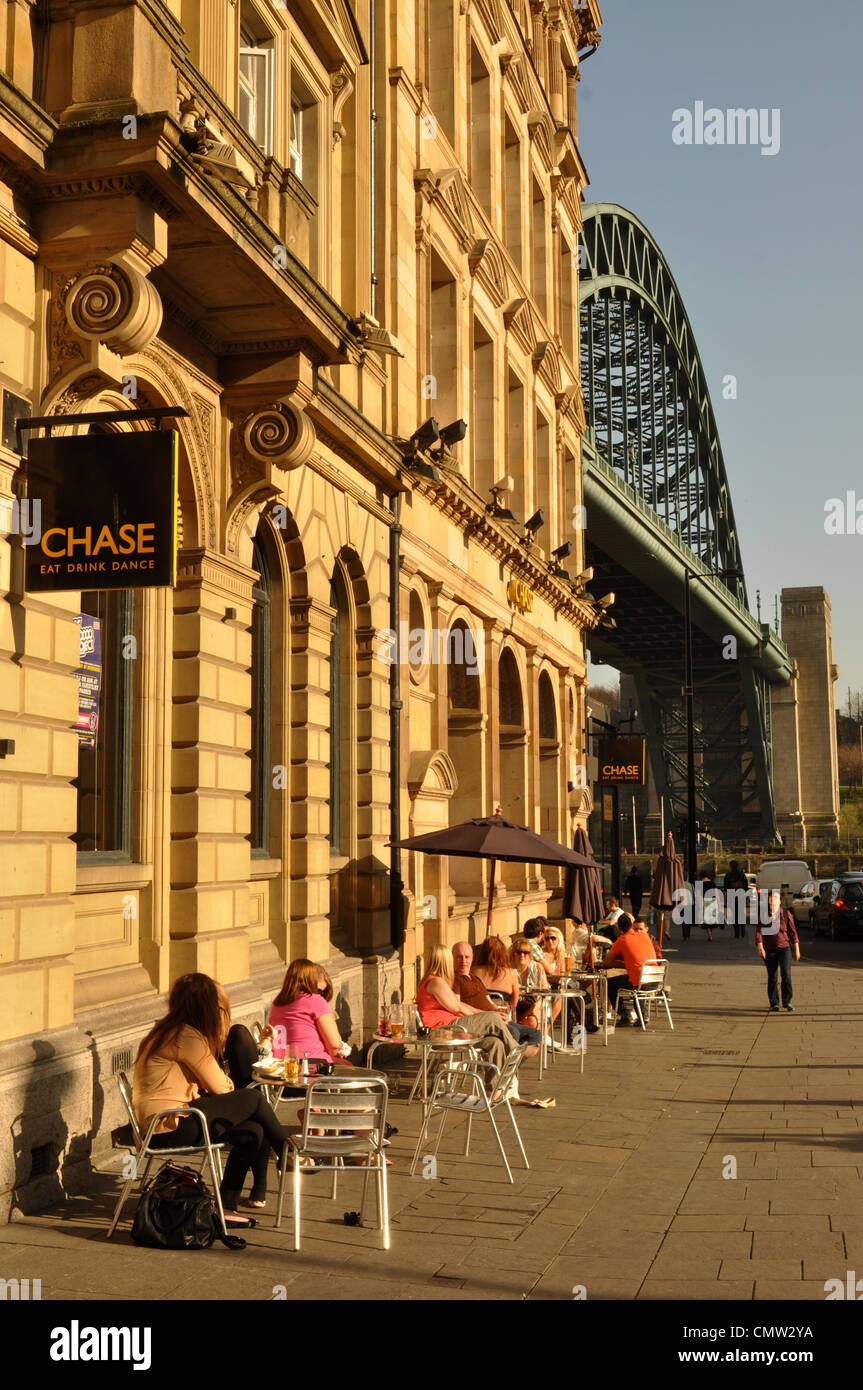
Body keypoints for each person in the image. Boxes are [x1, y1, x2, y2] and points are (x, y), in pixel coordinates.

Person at [133, 973, 293, 1223]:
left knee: (252, 1132)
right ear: (206, 1006)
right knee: (253, 1099)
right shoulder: (185, 1036)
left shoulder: (166, 1030)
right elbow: (223, 1088)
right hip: (169, 1124)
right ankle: (287, 1151)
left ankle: (226, 1205)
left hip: (161, 1121)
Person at [416, 943, 517, 1073]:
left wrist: (482, 1015)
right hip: (443, 1030)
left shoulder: (438, 981)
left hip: (452, 1027)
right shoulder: (435, 982)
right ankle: (515, 1050)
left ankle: (495, 1089)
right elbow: (457, 1007)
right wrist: (484, 1017)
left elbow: (460, 1005)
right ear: (445, 962)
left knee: (495, 1043)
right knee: (492, 1018)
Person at [459, 938, 540, 1053]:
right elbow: (514, 1003)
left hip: (481, 1017)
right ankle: (510, 1064)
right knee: (531, 1035)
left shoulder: (474, 972)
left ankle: (509, 1063)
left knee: (521, 1033)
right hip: (497, 1017)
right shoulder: (510, 973)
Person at [269, 958, 353, 1066]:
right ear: (311, 979)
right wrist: (343, 1049)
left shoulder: (276, 1005)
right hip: (310, 1065)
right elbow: (334, 1046)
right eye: (319, 991)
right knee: (350, 1068)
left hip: (281, 1066)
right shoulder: (315, 1000)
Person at [599, 917, 656, 1025]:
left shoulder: (623, 939)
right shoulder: (645, 936)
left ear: (619, 929)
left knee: (609, 982)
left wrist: (622, 964)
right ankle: (642, 1014)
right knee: (637, 977)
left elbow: (606, 962)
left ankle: (625, 1015)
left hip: (641, 982)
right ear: (631, 925)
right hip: (655, 980)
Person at [756, 889, 800, 1012]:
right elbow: (759, 931)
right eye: (771, 898)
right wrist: (760, 947)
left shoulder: (786, 914)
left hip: (784, 948)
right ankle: (774, 1003)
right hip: (769, 949)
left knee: (786, 974)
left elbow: (793, 933)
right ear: (768, 900)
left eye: (776, 898)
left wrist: (796, 949)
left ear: (780, 900)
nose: (773, 900)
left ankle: (787, 1001)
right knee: (772, 976)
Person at [511, 935, 549, 1030]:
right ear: (514, 954)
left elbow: (546, 994)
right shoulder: (509, 969)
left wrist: (534, 1008)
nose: (522, 955)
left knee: (531, 1021)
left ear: (530, 954)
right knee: (509, 1022)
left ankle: (535, 1041)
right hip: (514, 1003)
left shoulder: (537, 968)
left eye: (525, 952)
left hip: (535, 1003)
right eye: (519, 952)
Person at [723, 861, 749, 939]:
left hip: (732, 896)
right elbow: (746, 886)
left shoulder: (728, 875)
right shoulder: (742, 875)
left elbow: (725, 888)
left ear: (730, 866)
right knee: (741, 913)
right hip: (741, 895)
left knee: (734, 915)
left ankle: (736, 933)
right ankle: (743, 929)